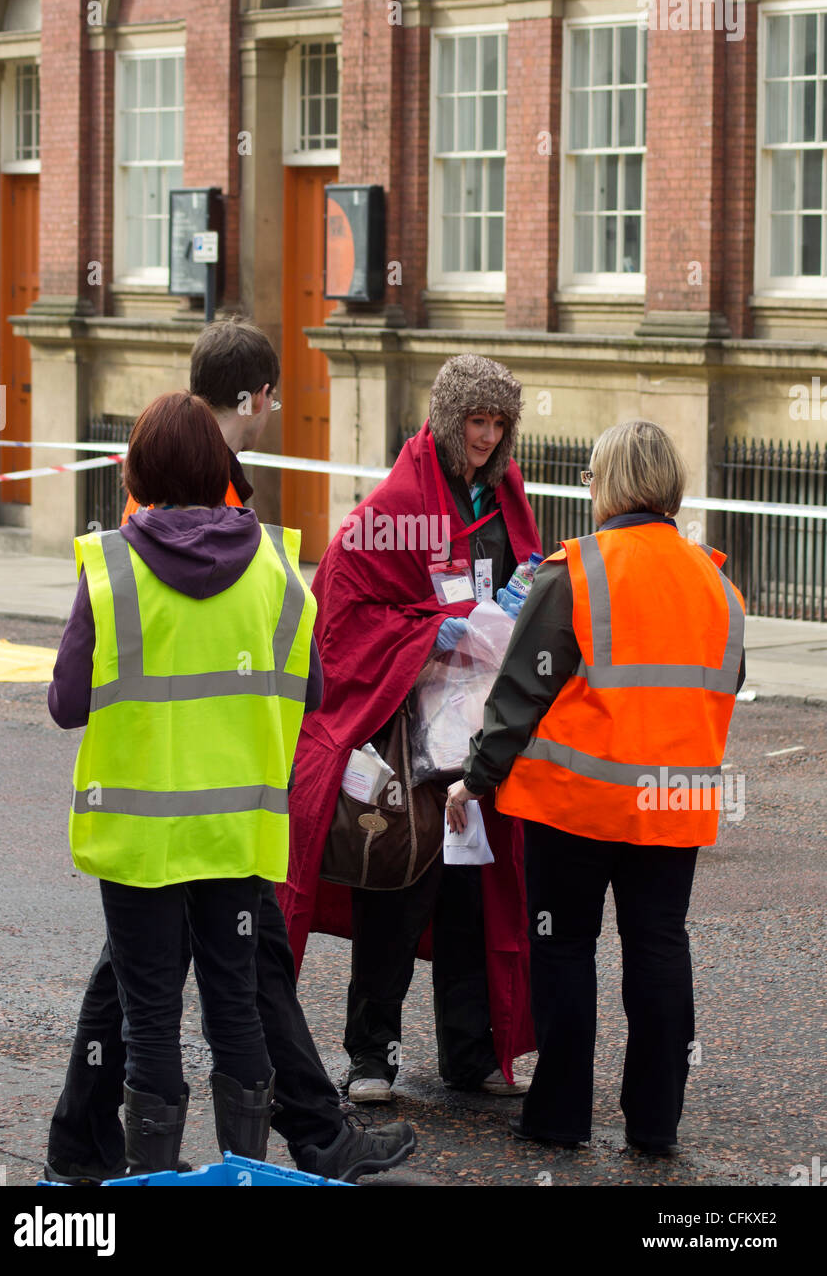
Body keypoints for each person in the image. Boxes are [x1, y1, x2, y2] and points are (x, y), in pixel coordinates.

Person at [46, 319, 415, 1183]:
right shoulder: (278, 567)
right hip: (237, 832)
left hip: (139, 839)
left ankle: (140, 1171)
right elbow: (312, 691)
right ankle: (246, 1169)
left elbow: (67, 704)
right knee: (234, 1010)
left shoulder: (112, 567)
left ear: (137, 472)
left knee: (145, 1015)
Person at [446, 419, 746, 1154]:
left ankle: (558, 1119)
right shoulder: (716, 581)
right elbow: (727, 682)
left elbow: (517, 695)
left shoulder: (575, 569)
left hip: (577, 803)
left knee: (563, 949)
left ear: (608, 482)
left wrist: (474, 779)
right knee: (656, 949)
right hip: (673, 801)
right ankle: (653, 1125)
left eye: (588, 475)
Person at [280, 354, 541, 1105]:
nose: (487, 437)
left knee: (471, 899)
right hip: (402, 733)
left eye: (498, 423)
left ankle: (472, 1054)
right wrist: (429, 634)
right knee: (393, 888)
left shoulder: (505, 494)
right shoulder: (398, 500)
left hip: (479, 732)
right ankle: (370, 1058)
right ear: (447, 420)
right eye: (475, 422)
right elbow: (341, 606)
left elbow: (523, 581)